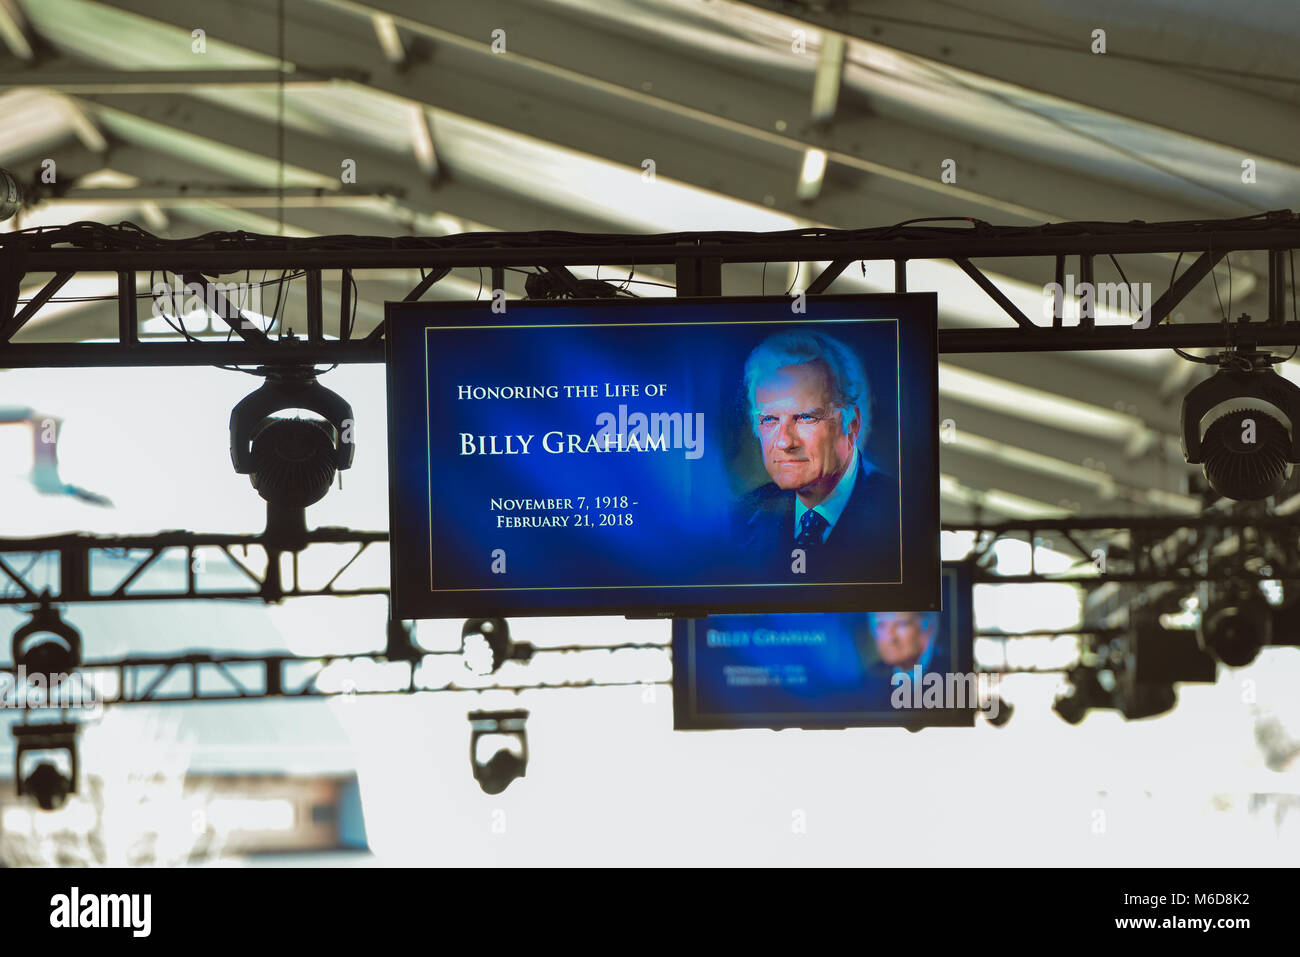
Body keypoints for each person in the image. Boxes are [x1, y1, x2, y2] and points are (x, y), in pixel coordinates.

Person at [734, 329, 899, 580]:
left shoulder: (902, 513)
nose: (785, 441)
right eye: (769, 419)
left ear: (851, 424)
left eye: (806, 417)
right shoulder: (741, 519)